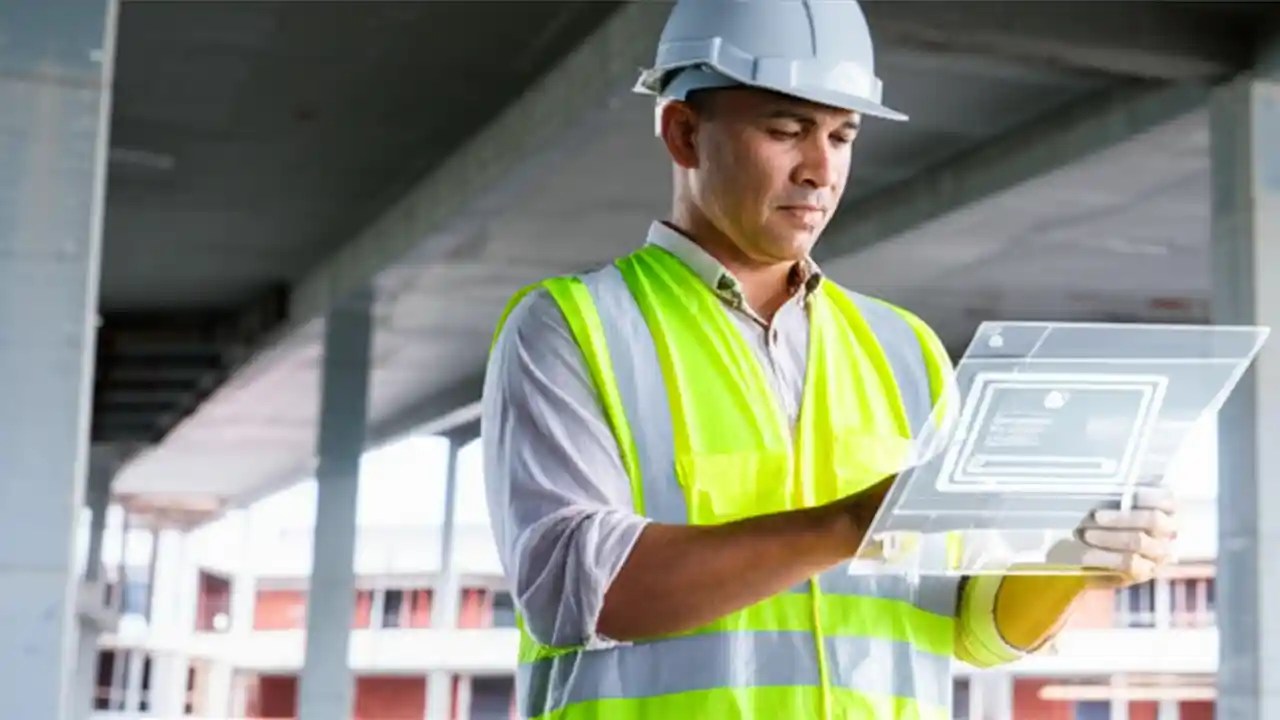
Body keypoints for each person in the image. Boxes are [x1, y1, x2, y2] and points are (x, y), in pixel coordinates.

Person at [481, 1, 1178, 718]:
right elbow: (576, 590)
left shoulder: (904, 347)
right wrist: (848, 525)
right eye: (786, 131)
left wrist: (1071, 566)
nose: (820, 170)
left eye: (842, 136)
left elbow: (967, 624)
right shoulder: (575, 327)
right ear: (684, 133)